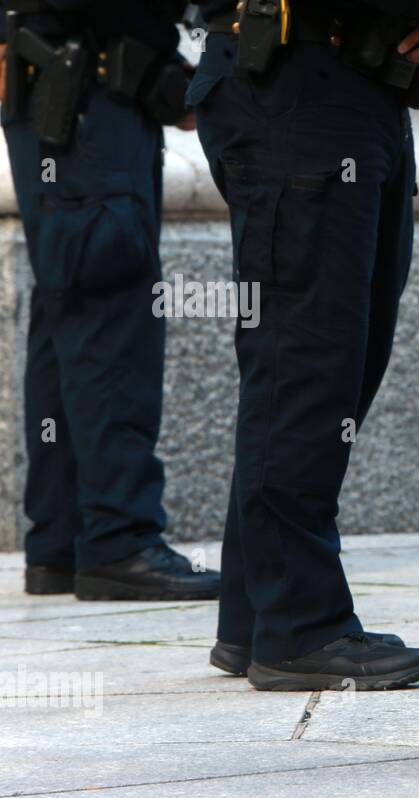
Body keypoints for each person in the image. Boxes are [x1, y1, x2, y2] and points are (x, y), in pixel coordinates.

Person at [190, 0, 419, 690]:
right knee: (303, 363)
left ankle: (255, 612)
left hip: (361, 88)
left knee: (333, 365)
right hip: (295, 81)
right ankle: (300, 625)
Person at [0, 0, 222, 602]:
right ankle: (117, 540)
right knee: (109, 304)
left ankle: (66, 541)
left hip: (75, 80)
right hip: (85, 86)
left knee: (69, 302)